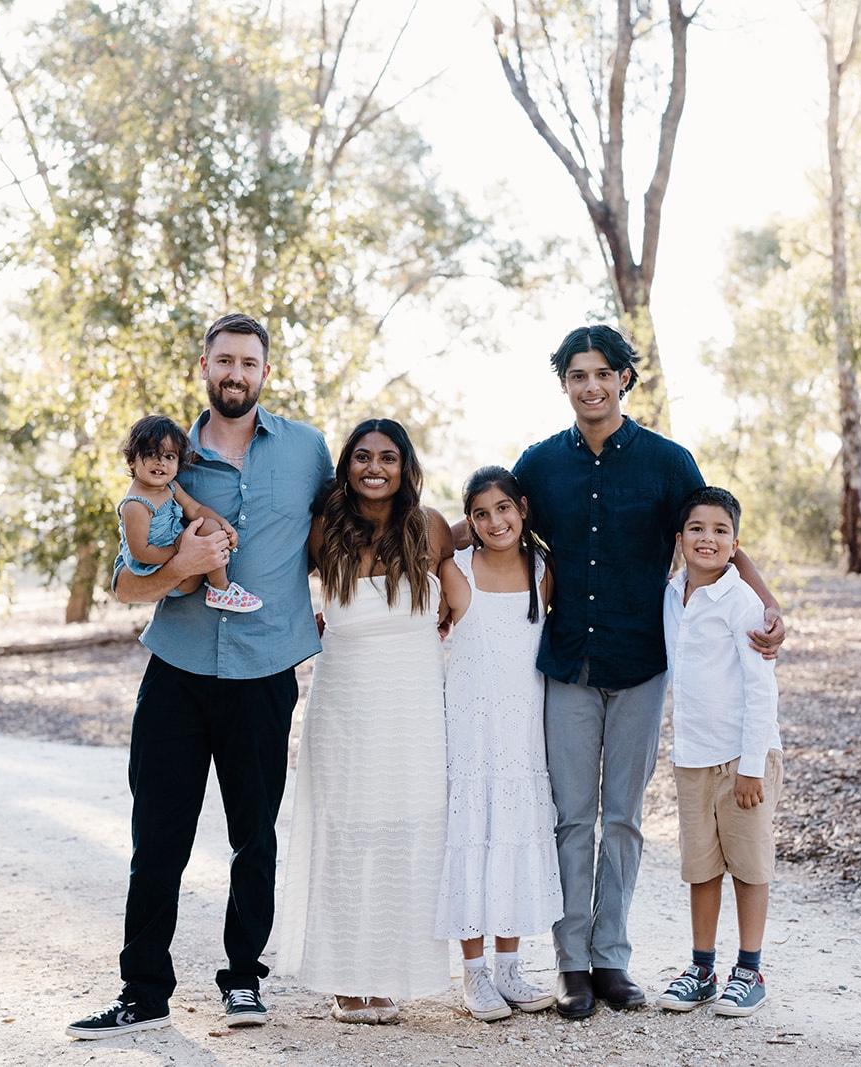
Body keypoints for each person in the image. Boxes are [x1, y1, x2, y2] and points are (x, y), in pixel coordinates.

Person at [470, 324, 785, 1020]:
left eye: (602, 373)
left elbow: (720, 534)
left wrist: (769, 605)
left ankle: (612, 957)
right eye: (577, 374)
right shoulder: (540, 464)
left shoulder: (669, 462)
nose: (591, 385)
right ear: (565, 384)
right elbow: (493, 523)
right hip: (566, 665)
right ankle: (571, 964)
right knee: (570, 818)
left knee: (623, 820)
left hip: (643, 665)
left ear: (623, 380)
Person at [66, 313, 333, 1039]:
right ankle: (142, 989)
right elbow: (127, 583)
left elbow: (349, 532)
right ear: (205, 367)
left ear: (266, 373)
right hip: (177, 672)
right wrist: (180, 566)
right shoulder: (166, 456)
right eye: (224, 360)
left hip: (264, 673)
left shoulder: (309, 451)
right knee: (158, 836)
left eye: (249, 362)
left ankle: (243, 979)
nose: (236, 373)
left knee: (255, 835)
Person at [276, 418, 457, 1025]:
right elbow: (275, 587)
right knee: (346, 838)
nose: (373, 467)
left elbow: (501, 556)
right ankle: (344, 978)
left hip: (413, 713)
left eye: (387, 457)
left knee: (406, 836)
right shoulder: (322, 532)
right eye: (361, 456)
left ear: (405, 466)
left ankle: (391, 975)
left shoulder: (430, 529)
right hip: (346, 707)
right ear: (346, 466)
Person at [435, 466, 564, 1022]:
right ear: (470, 522)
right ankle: (474, 973)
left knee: (512, 836)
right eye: (481, 514)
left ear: (523, 508)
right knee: (472, 839)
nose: (495, 522)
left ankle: (509, 966)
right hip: (469, 735)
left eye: (504, 509)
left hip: (522, 733)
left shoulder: (544, 571)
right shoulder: (455, 571)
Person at [655, 487, 780, 1018]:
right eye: (697, 529)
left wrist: (751, 766)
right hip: (693, 758)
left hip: (741, 759)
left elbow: (761, 688)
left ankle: (749, 969)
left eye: (720, 531)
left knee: (749, 866)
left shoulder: (741, 601)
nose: (708, 539)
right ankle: (701, 967)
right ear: (680, 539)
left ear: (735, 543)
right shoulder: (671, 594)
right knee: (701, 867)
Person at [113, 413, 262, 613]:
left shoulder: (170, 487)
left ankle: (219, 589)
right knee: (205, 533)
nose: (160, 462)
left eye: (169, 456)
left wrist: (223, 525)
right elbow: (142, 553)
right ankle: (221, 589)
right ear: (132, 461)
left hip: (182, 551)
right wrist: (183, 552)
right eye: (150, 453)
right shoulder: (136, 506)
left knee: (209, 525)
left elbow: (196, 509)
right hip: (159, 570)